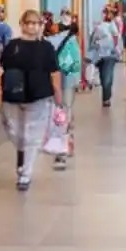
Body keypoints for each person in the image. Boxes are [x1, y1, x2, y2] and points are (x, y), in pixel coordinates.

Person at [0, 9, 64, 190]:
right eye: (28, 22)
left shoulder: (46, 48)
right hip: (13, 96)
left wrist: (57, 94)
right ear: (22, 24)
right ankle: (23, 155)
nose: (31, 26)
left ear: (40, 26)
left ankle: (25, 174)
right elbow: (2, 69)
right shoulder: (12, 46)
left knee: (32, 136)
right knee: (15, 132)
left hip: (39, 95)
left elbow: (54, 71)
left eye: (35, 23)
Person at [44, 16, 82, 169]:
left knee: (58, 110)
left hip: (55, 79)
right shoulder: (73, 42)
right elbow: (77, 64)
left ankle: (63, 143)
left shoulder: (51, 41)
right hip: (69, 79)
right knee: (66, 109)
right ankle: (64, 146)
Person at [88, 7, 123, 107]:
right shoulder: (99, 27)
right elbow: (93, 40)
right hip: (101, 55)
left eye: (109, 13)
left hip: (110, 55)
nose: (107, 15)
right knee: (104, 76)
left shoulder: (113, 26)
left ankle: (106, 98)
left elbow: (117, 39)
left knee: (107, 76)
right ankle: (106, 94)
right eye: (106, 13)